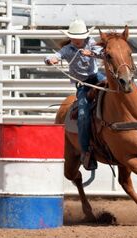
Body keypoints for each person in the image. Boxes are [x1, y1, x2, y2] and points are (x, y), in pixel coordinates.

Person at [45, 19, 105, 171]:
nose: (77, 40)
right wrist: (50, 60)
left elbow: (102, 53)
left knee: (118, 91)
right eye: (74, 37)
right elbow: (54, 56)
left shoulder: (90, 43)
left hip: (97, 78)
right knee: (83, 113)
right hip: (83, 85)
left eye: (80, 37)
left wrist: (90, 53)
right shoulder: (67, 50)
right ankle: (85, 152)